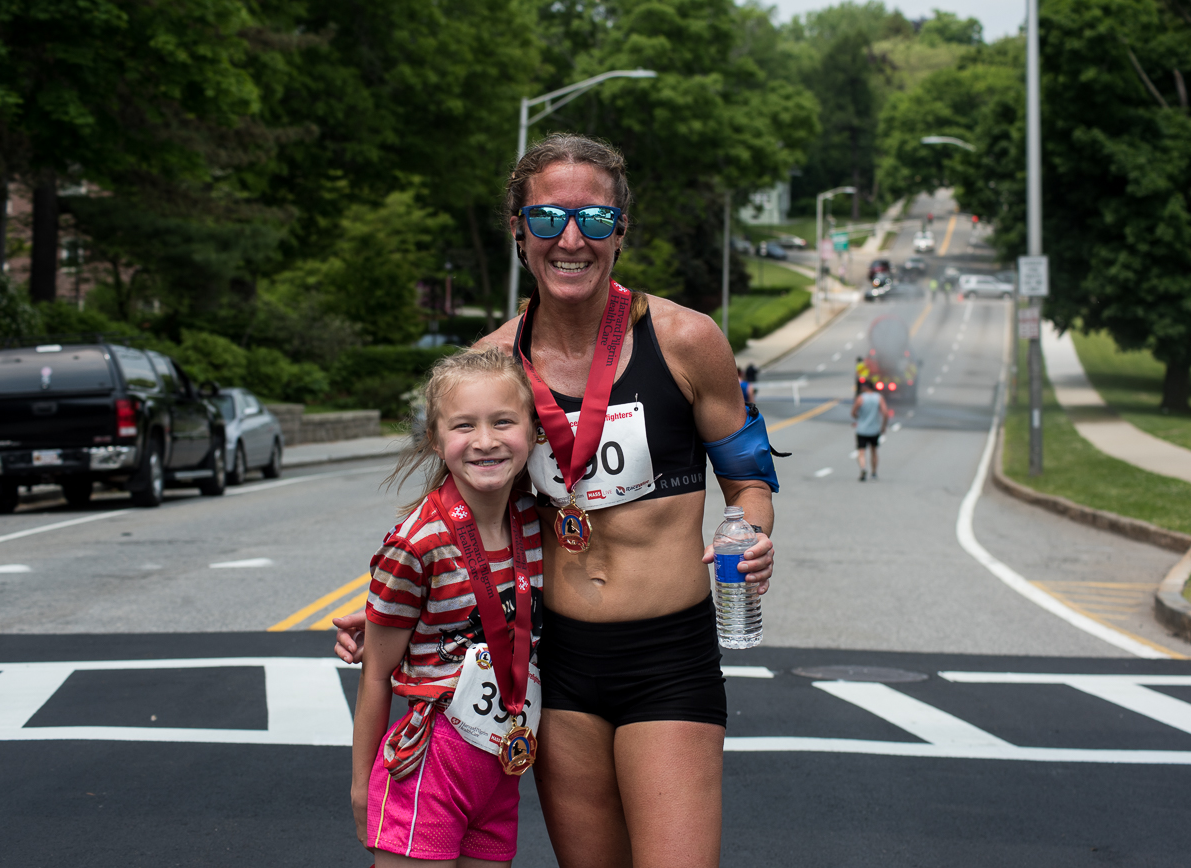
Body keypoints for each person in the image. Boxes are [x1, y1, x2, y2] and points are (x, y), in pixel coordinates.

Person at [336, 133, 778, 868]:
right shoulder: (494, 361)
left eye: (595, 221)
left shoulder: (686, 341)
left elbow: (750, 481)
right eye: (547, 219)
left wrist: (752, 533)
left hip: (668, 653)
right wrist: (398, 607)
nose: (571, 240)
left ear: (620, 233)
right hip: (554, 658)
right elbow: (459, 515)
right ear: (519, 231)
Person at [350, 348, 542, 867]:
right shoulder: (416, 544)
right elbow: (375, 673)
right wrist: (360, 782)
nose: (485, 440)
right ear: (436, 439)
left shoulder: (533, 519)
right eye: (463, 426)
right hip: (429, 761)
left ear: (533, 429)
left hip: (500, 761)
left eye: (504, 421)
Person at [852, 379, 888, 481]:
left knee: (861, 452)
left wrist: (858, 418)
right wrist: (883, 426)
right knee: (874, 451)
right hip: (874, 429)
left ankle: (863, 468)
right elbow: (885, 412)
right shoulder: (878, 398)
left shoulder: (861, 398)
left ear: (864, 387)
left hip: (862, 429)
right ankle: (874, 472)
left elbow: (854, 412)